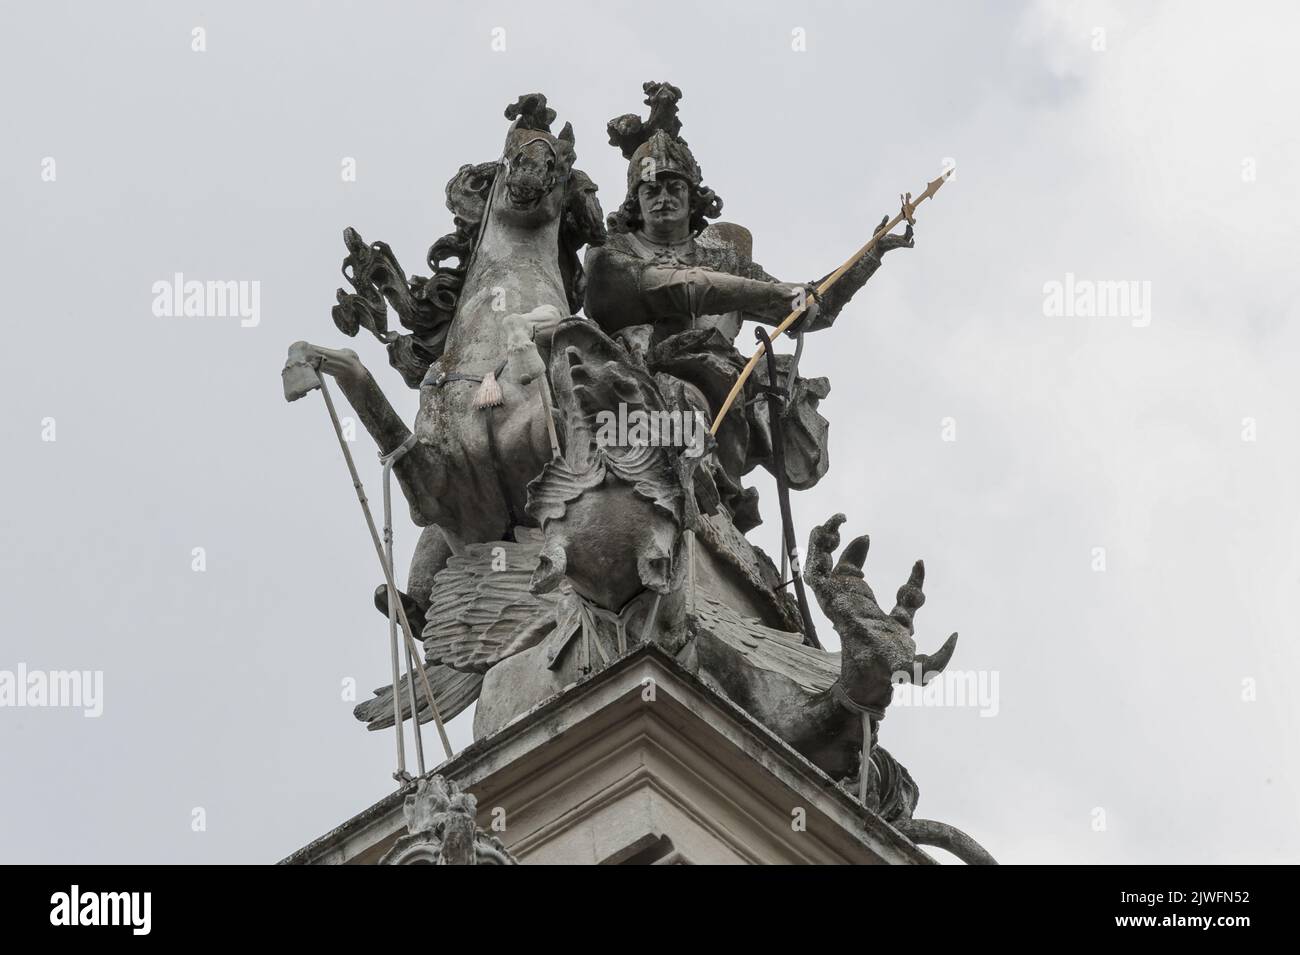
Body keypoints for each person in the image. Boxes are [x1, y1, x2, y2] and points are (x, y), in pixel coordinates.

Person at [582, 82, 912, 531]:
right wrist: (767, 295)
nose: (662, 197)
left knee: (694, 404)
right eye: (650, 189)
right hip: (628, 380)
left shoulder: (725, 258)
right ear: (635, 202)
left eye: (674, 186)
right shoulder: (611, 251)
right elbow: (670, 289)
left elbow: (809, 309)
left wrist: (868, 258)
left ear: (694, 197)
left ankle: (705, 494)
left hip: (716, 389)